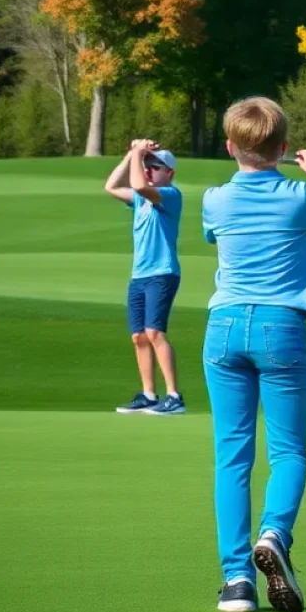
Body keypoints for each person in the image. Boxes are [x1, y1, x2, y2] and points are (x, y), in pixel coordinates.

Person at [202, 97, 306, 612]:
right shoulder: (299, 194)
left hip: (223, 327)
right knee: (289, 451)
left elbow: (217, 232)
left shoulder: (214, 199)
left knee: (232, 456)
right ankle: (274, 534)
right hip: (281, 327)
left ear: (231, 146)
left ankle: (235, 583)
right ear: (283, 148)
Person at [103, 139, 186, 415]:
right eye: (147, 166)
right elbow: (111, 187)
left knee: (154, 332)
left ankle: (174, 396)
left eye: (155, 167)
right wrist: (131, 155)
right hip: (139, 275)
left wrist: (139, 153)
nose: (148, 170)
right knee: (138, 336)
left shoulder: (170, 195)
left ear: (169, 173)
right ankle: (149, 394)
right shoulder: (141, 199)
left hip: (162, 272)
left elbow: (139, 185)